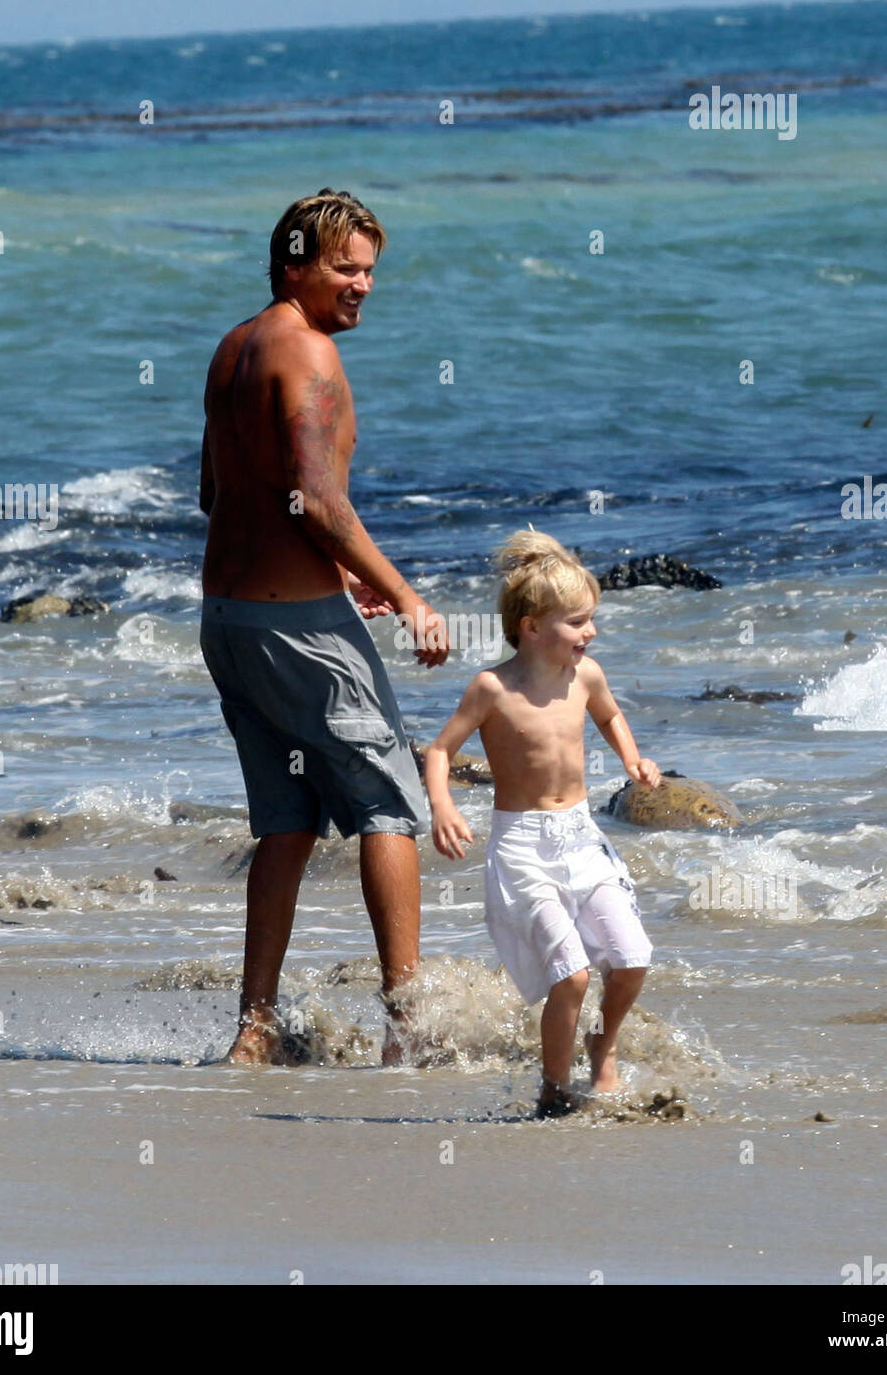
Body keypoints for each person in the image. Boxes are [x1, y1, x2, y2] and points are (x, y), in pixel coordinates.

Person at [198, 188, 449, 1066]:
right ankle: (408, 1032)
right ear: (295, 263)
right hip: (296, 629)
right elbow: (322, 496)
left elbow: (224, 495)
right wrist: (405, 594)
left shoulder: (235, 349)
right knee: (388, 803)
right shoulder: (307, 356)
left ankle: (254, 1030)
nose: (363, 286)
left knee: (287, 820)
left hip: (227, 621)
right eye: (346, 268)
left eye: (371, 270)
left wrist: (333, 566)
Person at [423, 530, 660, 1116]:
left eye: (592, 619)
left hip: (582, 839)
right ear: (532, 626)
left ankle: (601, 1046)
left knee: (631, 958)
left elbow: (610, 715)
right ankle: (554, 1091)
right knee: (572, 976)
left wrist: (632, 757)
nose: (592, 632)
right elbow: (437, 752)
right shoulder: (492, 689)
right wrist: (443, 806)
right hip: (524, 848)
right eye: (578, 621)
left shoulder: (587, 676)